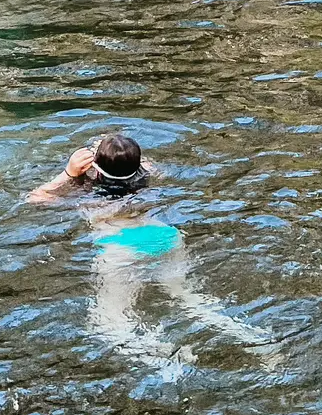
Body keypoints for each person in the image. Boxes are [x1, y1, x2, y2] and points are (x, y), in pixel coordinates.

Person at [27, 130, 269, 368]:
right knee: (189, 297)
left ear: (95, 168)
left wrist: (68, 172)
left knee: (110, 322)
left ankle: (166, 358)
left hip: (121, 244)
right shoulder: (147, 177)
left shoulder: (84, 191)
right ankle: (251, 336)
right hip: (162, 235)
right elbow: (143, 165)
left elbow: (35, 199)